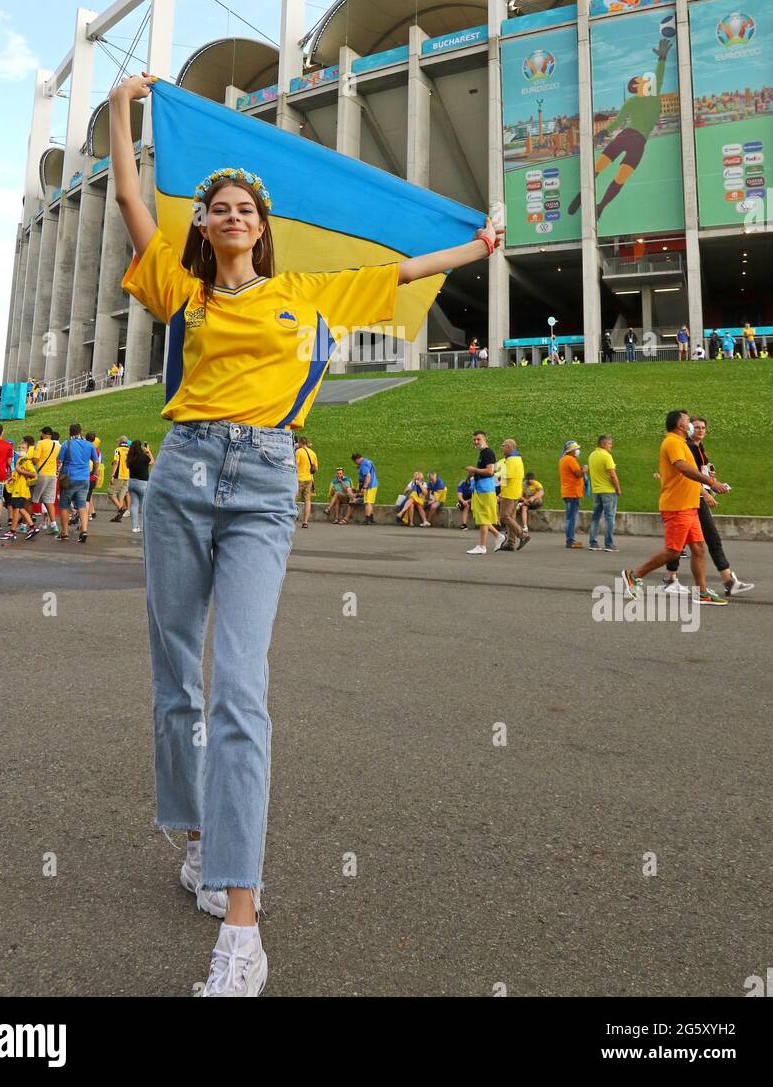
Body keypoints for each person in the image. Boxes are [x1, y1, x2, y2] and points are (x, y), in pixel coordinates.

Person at [110, 68, 502, 997]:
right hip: (181, 476)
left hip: (263, 483)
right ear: (201, 228)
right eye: (217, 207)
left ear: (263, 223)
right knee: (176, 672)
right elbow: (129, 193)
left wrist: (478, 246)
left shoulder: (311, 297)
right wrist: (122, 109)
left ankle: (239, 930)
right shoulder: (182, 291)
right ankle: (201, 835)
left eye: (243, 205)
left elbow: (406, 270)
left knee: (238, 684)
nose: (230, 215)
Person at [622, 410, 730, 606]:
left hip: (690, 506)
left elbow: (692, 471)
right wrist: (710, 482)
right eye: (688, 421)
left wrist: (708, 486)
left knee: (698, 548)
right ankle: (634, 576)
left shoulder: (681, 443)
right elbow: (682, 467)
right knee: (673, 551)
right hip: (676, 506)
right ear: (680, 425)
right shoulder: (672, 442)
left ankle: (702, 592)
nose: (691, 424)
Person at [567, 23, 674, 219]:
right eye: (642, 79)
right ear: (636, 85)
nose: (646, 79)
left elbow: (659, 74)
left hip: (636, 141)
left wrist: (662, 57)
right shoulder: (634, 101)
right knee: (599, 168)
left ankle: (600, 207)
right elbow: (617, 122)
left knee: (620, 177)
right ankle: (582, 196)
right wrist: (602, 133)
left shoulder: (651, 95)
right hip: (630, 137)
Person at [660, 415, 753, 598]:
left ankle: (722, 580)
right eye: (696, 426)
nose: (700, 430)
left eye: (703, 427)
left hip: (694, 496)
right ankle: (649, 576)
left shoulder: (698, 447)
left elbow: (701, 471)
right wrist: (705, 493)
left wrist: (712, 480)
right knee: (700, 540)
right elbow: (686, 473)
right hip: (690, 497)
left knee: (695, 543)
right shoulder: (684, 446)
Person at [465, 431, 507, 555]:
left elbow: (490, 471)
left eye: (478, 439)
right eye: (474, 440)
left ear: (485, 439)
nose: (476, 442)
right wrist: (471, 474)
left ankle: (482, 546)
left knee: (483, 518)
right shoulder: (483, 453)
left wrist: (473, 469)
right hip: (480, 489)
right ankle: (498, 536)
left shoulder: (488, 453)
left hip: (485, 490)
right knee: (481, 517)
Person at [57, 423, 97, 543]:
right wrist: (92, 473)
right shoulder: (89, 445)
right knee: (82, 505)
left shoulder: (66, 444)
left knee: (64, 505)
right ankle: (84, 530)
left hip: (69, 478)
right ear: (81, 432)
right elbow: (95, 462)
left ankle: (64, 532)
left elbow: (59, 461)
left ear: (70, 432)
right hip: (84, 478)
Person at [587, 434, 620, 552]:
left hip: (596, 490)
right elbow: (612, 474)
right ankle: (609, 544)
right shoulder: (607, 456)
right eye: (609, 444)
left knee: (595, 517)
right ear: (603, 444)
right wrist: (618, 488)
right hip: (608, 491)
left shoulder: (592, 455)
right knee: (609, 517)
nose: (611, 446)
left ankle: (593, 542)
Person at [2, 436, 39, 542]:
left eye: (23, 448)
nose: (20, 449)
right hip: (17, 488)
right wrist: (11, 478)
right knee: (19, 509)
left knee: (17, 509)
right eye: (19, 447)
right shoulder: (20, 460)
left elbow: (33, 474)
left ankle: (13, 531)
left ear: (27, 449)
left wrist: (20, 471)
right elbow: (17, 474)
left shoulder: (25, 460)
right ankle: (31, 527)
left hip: (21, 489)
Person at [29, 426, 61, 535]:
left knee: (31, 499)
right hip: (53, 475)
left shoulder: (40, 443)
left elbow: (35, 459)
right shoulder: (56, 445)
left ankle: (25, 524)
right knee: (49, 501)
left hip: (42, 474)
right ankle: (53, 524)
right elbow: (59, 461)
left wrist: (30, 459)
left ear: (44, 434)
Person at [498, 438, 528, 550]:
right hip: (516, 491)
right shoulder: (518, 459)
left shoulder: (511, 460)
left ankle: (522, 535)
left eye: (503, 446)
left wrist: (497, 477)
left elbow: (507, 475)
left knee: (504, 517)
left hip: (509, 493)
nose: (501, 448)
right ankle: (510, 542)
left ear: (510, 447)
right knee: (511, 517)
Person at [559, 439, 587, 549]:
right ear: (571, 451)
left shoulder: (563, 459)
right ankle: (570, 541)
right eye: (577, 449)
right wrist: (584, 469)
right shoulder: (570, 459)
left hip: (568, 492)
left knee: (570, 517)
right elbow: (578, 474)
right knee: (572, 517)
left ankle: (570, 539)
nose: (578, 451)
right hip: (573, 492)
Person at [126, 438, 154, 535]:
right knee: (144, 506)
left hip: (131, 483)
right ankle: (144, 527)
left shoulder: (130, 457)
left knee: (134, 505)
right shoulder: (144, 457)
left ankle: (135, 527)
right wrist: (148, 451)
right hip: (143, 483)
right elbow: (152, 462)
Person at [294, 435, 318, 528]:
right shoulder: (313, 453)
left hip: (299, 479)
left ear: (300, 443)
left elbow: (295, 465)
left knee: (293, 500)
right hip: (309, 479)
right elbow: (315, 468)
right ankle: (305, 522)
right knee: (307, 500)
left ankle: (291, 519)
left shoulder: (299, 452)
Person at [351, 451, 378, 524]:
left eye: (355, 461)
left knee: (368, 502)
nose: (355, 463)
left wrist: (364, 487)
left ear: (356, 459)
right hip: (374, 484)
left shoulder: (363, 465)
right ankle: (371, 519)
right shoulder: (368, 461)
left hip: (370, 486)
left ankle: (367, 519)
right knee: (371, 502)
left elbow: (368, 476)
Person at [109, 437, 131, 520]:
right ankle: (118, 516)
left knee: (111, 493)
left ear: (120, 442)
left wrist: (112, 475)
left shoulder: (118, 450)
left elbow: (116, 462)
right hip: (128, 476)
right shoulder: (130, 450)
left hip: (119, 475)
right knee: (121, 496)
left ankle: (120, 509)